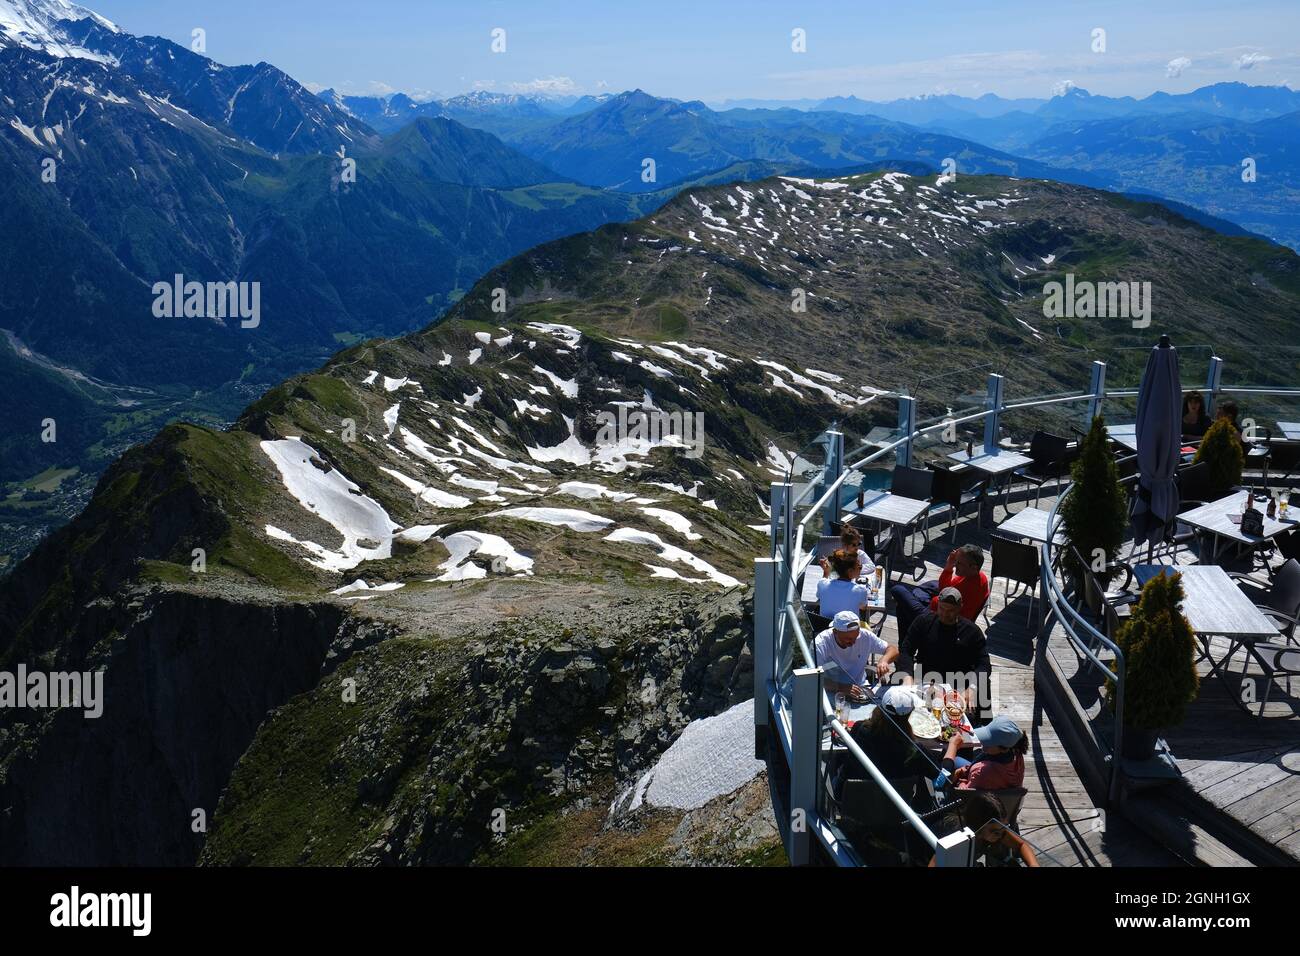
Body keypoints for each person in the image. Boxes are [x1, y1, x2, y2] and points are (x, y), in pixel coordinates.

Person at [881, 587, 991, 712]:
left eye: (950, 611)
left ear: (960, 608)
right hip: (926, 682)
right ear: (937, 604)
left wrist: (972, 688)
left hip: (957, 686)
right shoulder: (923, 622)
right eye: (942, 608)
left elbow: (984, 664)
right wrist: (907, 676)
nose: (945, 614)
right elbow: (906, 650)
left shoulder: (972, 631)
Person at [889, 544, 989, 641]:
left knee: (898, 591)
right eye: (956, 561)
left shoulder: (967, 586)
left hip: (937, 621)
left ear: (974, 567)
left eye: (959, 563)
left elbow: (943, 592)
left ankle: (903, 648)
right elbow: (945, 588)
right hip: (941, 611)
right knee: (929, 587)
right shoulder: (979, 576)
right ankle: (903, 647)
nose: (955, 565)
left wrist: (949, 565)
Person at [928, 791, 1039, 867]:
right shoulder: (958, 836)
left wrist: (1034, 865)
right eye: (994, 831)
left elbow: (1021, 845)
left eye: (1004, 827)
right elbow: (935, 862)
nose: (1001, 834)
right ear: (979, 826)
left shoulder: (996, 831)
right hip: (924, 855)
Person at [844, 686, 930, 781]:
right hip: (898, 794)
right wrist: (950, 746)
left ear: (880, 707)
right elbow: (941, 777)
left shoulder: (859, 728)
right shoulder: (915, 751)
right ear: (909, 714)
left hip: (855, 793)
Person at [814, 610, 890, 701]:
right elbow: (814, 678)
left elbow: (892, 649)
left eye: (856, 637)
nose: (853, 642)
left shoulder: (865, 636)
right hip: (831, 690)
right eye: (848, 639)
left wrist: (884, 660)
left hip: (859, 687)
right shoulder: (820, 644)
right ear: (835, 632)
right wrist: (841, 687)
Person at [940, 714, 1027, 791]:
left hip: (976, 800)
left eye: (988, 743)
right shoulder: (1017, 754)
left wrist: (961, 781)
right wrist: (964, 770)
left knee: (946, 765)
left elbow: (965, 793)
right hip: (996, 787)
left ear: (1003, 749)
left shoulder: (981, 771)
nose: (983, 745)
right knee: (957, 760)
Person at [816, 548, 870, 619]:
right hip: (849, 629)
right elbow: (863, 607)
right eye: (859, 567)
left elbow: (819, 595)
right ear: (850, 571)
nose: (861, 569)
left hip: (824, 627)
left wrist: (826, 572)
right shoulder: (860, 590)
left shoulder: (822, 584)